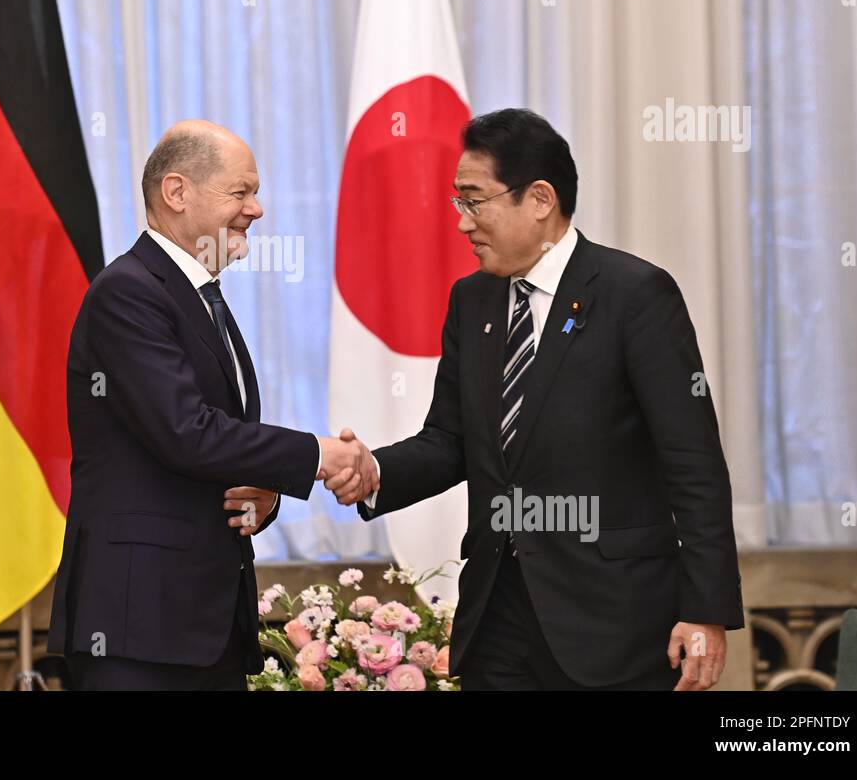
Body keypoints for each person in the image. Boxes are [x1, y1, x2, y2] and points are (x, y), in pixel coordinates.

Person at [352, 108, 744, 690]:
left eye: (474, 200)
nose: (462, 223)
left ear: (539, 198)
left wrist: (706, 609)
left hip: (614, 622)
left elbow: (694, 462)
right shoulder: (472, 302)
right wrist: (372, 469)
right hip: (499, 615)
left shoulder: (635, 294)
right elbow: (451, 440)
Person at [48, 119, 378, 690]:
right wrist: (318, 454)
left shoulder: (199, 297)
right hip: (138, 629)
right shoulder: (128, 292)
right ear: (177, 193)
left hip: (204, 625)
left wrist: (264, 492)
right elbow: (186, 432)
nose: (257, 209)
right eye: (241, 192)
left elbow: (213, 442)